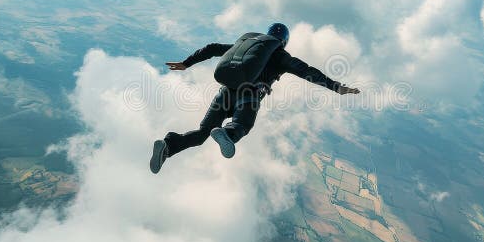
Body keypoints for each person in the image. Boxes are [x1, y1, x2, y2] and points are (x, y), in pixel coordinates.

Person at [150, 23, 360, 173]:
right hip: (248, 94)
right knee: (242, 124)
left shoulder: (249, 46)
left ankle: (169, 146)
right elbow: (307, 71)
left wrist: (187, 63)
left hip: (225, 92)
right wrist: (336, 87)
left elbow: (213, 48)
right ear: (284, 42)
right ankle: (227, 134)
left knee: (201, 134)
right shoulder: (280, 56)